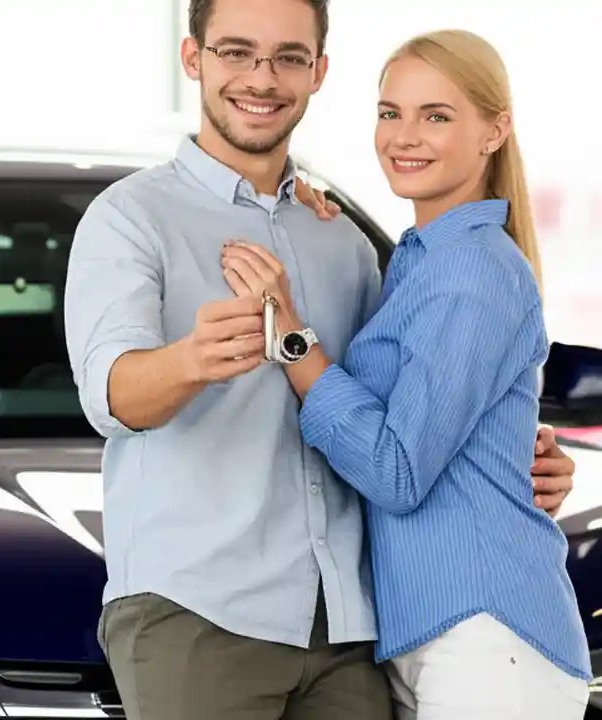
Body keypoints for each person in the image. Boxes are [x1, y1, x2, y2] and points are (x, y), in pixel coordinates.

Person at [62, 0, 580, 717]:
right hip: (203, 610)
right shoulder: (130, 217)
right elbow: (110, 394)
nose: (261, 78)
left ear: (318, 73)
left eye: (289, 58)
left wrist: (509, 448)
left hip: (352, 626)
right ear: (194, 60)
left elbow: (403, 416)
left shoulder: (345, 241)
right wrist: (190, 360)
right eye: (237, 52)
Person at [224, 29, 590, 718]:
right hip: (431, 633)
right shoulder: (418, 264)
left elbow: (396, 468)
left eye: (437, 115)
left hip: (486, 636)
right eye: (391, 112)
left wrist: (294, 341)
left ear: (495, 130)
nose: (404, 136)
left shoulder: (472, 273)